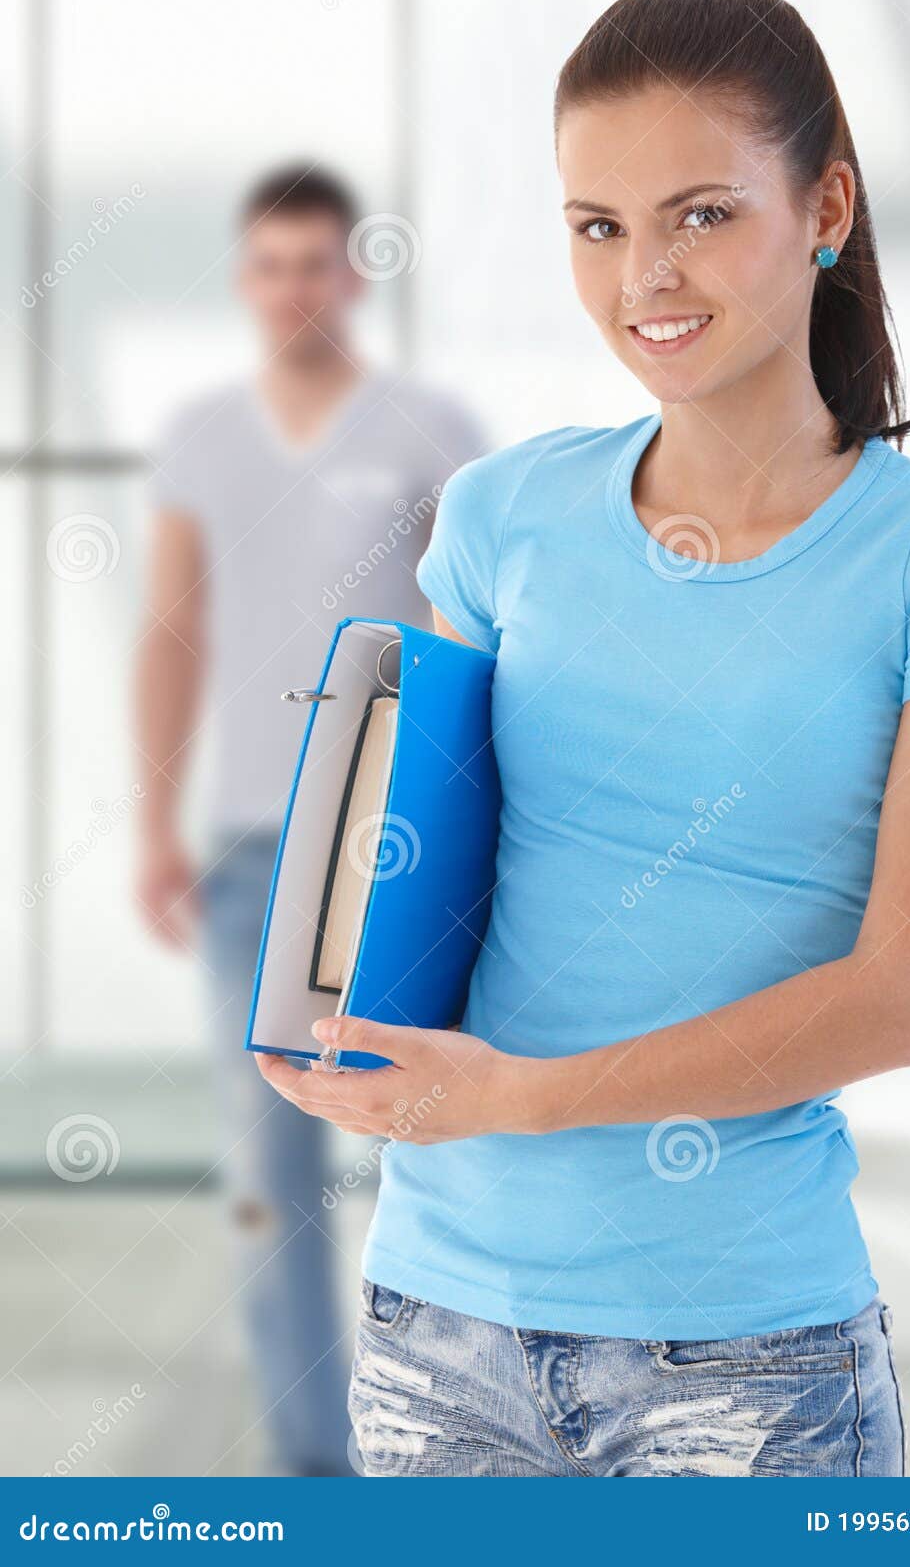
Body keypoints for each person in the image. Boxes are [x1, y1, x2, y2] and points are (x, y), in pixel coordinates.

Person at [257, 0, 910, 1477]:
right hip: (436, 1328)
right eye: (598, 225)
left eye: (700, 213)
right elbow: (420, 868)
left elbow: (906, 998)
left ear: (826, 208)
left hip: (746, 1363)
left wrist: (519, 1099)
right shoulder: (505, 512)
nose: (646, 276)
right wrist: (327, 1011)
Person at [134, 163, 487, 1476]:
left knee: (423, 1141)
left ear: (355, 273)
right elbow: (170, 632)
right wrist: (153, 828)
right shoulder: (202, 435)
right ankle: (317, 1469)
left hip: (395, 847)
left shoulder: (425, 425)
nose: (294, 288)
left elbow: (476, 634)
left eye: (316, 262)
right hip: (243, 848)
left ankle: (443, 1434)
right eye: (270, 264)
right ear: (246, 280)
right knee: (268, 1172)